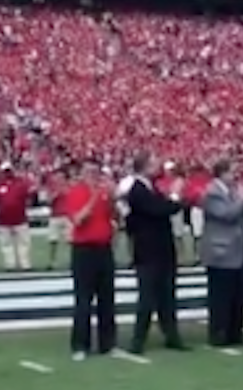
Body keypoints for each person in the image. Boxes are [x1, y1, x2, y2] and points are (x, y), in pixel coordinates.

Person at [122, 151, 189, 355]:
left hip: (160, 251)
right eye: (154, 163)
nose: (158, 166)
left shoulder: (151, 188)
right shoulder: (138, 190)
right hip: (149, 251)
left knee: (166, 297)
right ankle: (138, 340)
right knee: (147, 298)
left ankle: (171, 335)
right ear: (144, 166)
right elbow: (160, 210)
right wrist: (175, 196)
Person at [66, 159, 118, 361]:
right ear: (81, 173)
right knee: (84, 301)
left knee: (107, 299)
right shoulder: (75, 192)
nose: (93, 176)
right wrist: (95, 196)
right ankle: (80, 344)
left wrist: (111, 198)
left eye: (96, 172)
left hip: (103, 248)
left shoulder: (105, 193)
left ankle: (108, 343)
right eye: (89, 172)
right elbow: (79, 219)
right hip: (84, 250)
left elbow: (114, 217)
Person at [200, 158, 243, 349]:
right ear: (222, 173)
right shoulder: (212, 192)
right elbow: (226, 214)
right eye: (232, 172)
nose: (235, 176)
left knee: (238, 294)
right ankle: (218, 333)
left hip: (237, 248)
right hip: (220, 250)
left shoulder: (231, 191)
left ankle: (235, 332)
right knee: (220, 295)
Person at [0, 162, 33, 271]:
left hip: (20, 219)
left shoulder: (21, 184)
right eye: (5, 171)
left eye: (9, 171)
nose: (7, 173)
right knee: (6, 244)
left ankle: (25, 264)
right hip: (3, 220)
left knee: (24, 243)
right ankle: (10, 265)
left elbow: (28, 198)